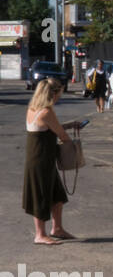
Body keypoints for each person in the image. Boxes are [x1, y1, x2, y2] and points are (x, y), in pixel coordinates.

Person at [23, 79, 82, 244]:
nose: (58, 98)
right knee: (40, 195)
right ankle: (39, 235)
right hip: (41, 161)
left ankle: (57, 229)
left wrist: (70, 125)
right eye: (58, 95)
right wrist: (74, 148)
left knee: (57, 195)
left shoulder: (33, 109)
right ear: (51, 94)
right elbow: (61, 135)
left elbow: (49, 128)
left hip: (39, 159)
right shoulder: (47, 112)